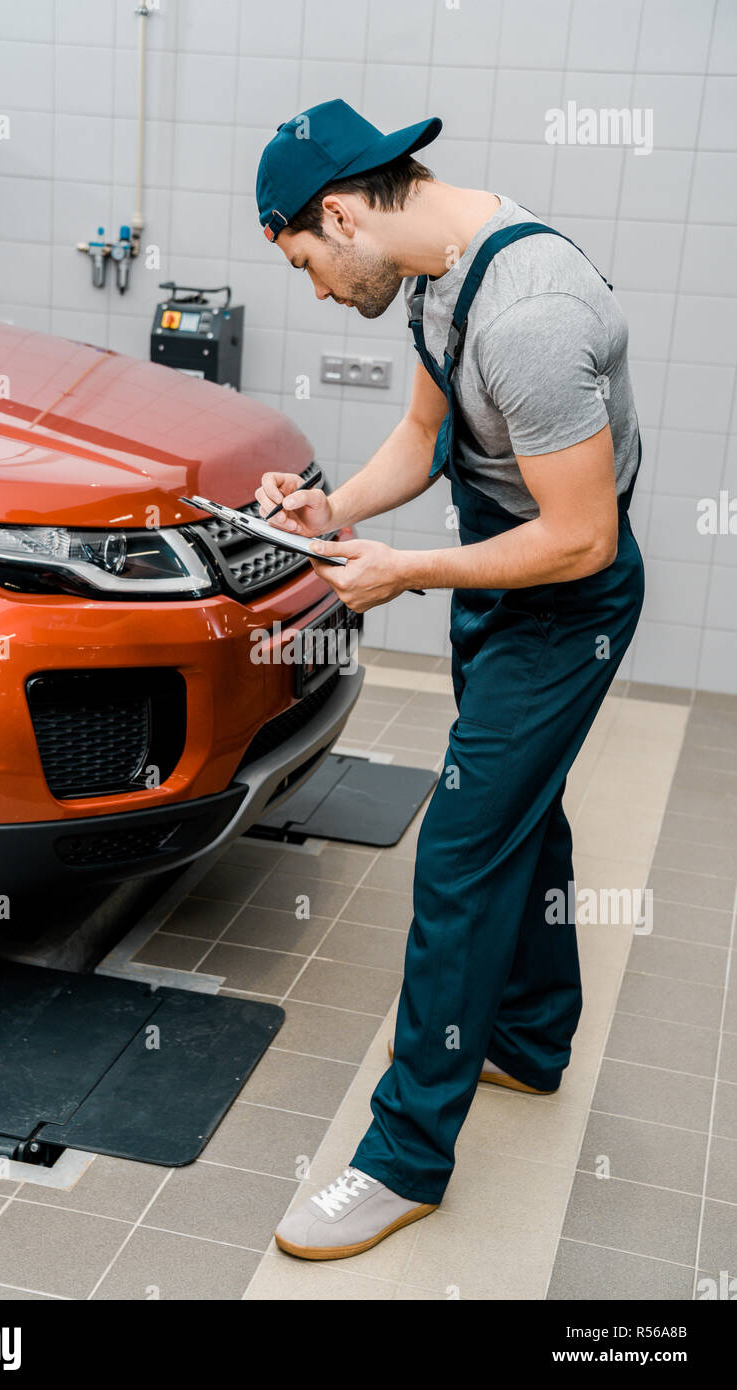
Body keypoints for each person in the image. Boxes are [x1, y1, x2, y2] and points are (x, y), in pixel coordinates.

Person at [255, 99, 644, 1260]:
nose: (319, 290)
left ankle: (403, 1157)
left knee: (463, 847)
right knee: (517, 807)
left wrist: (408, 570)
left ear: (340, 214)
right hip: (502, 568)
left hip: (563, 601)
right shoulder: (438, 276)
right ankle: (528, 1037)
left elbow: (582, 538)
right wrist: (338, 510)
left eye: (307, 263)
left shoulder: (531, 312)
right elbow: (428, 434)